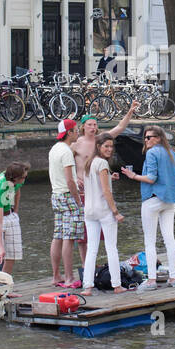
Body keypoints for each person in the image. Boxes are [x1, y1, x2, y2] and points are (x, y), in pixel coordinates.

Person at [71, 101, 138, 264]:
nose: (93, 128)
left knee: (98, 236)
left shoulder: (101, 141)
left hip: (98, 193)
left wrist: (130, 111)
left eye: (95, 124)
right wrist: (74, 179)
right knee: (83, 237)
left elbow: (120, 128)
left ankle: (93, 264)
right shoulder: (76, 144)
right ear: (83, 127)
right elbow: (65, 165)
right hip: (83, 193)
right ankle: (86, 263)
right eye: (89, 125)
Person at [121, 125, 175, 291]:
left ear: (159, 138)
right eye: (145, 137)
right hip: (170, 201)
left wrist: (133, 176)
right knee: (169, 238)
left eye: (149, 137)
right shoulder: (173, 154)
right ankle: (173, 277)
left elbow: (151, 178)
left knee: (150, 241)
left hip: (152, 199)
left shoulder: (152, 153)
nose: (146, 140)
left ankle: (152, 280)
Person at [81, 132, 125, 295]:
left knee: (92, 248)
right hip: (104, 211)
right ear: (98, 147)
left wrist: (110, 178)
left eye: (111, 146)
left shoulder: (89, 163)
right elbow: (106, 191)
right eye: (106, 146)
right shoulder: (103, 165)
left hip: (89, 211)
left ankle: (87, 286)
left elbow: (96, 184)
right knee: (111, 247)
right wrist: (116, 212)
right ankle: (117, 285)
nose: (110, 149)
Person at [48, 119, 84, 287]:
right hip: (68, 196)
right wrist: (77, 200)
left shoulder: (54, 149)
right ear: (69, 133)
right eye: (76, 130)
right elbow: (70, 181)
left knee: (58, 235)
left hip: (56, 195)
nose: (78, 132)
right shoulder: (67, 152)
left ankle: (56, 275)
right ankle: (69, 278)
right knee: (69, 238)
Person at [0, 161, 29, 279]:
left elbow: (17, 191)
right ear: (16, 178)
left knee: (12, 254)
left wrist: (15, 211)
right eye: (23, 177)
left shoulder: (17, 180)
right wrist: (0, 246)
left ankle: (3, 286)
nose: (25, 179)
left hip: (9, 212)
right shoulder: (0, 187)